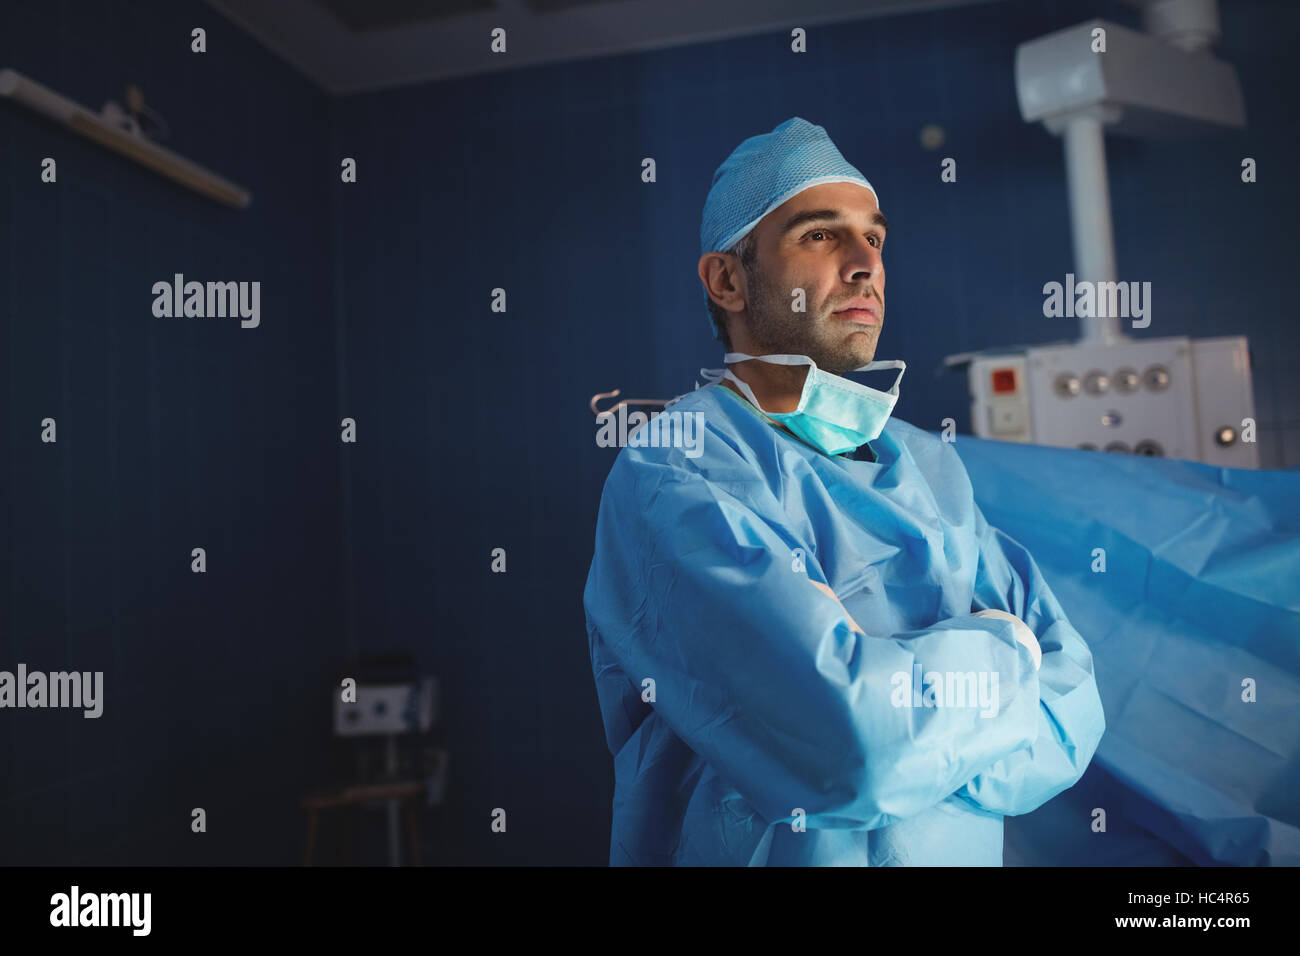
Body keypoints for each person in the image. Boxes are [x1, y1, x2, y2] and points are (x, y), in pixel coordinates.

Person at [583, 117, 1106, 866]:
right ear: (727, 279)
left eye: (876, 237)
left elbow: (1073, 717)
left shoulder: (931, 468)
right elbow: (853, 749)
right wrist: (1009, 647)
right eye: (821, 235)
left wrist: (903, 692)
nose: (867, 264)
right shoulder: (676, 469)